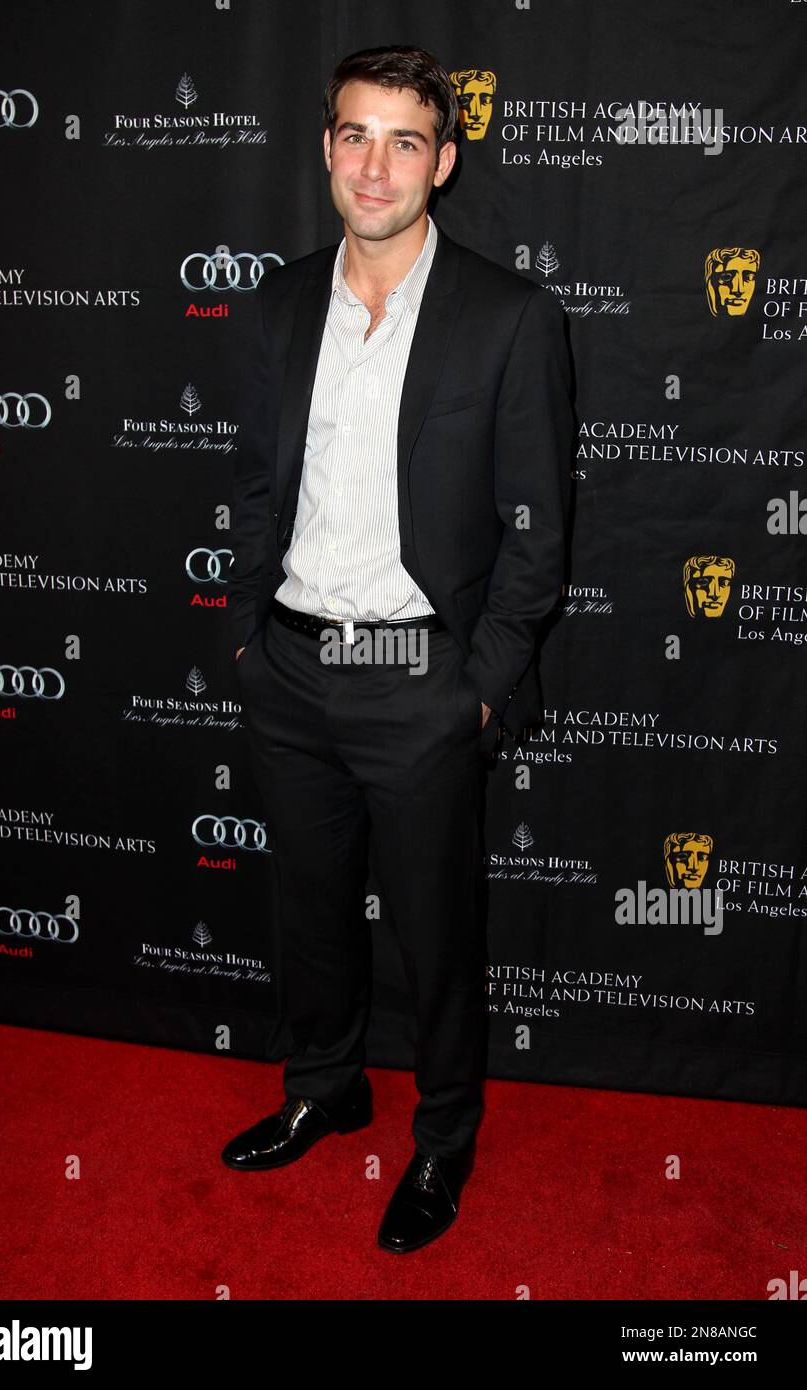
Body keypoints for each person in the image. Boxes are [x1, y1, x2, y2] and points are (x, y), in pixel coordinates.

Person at [221, 44, 574, 1254]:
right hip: (291, 663)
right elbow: (258, 486)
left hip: (421, 680)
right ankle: (323, 1084)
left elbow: (537, 533)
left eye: (404, 140)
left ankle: (441, 1140)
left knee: (437, 932)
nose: (375, 165)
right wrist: (248, 633)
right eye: (355, 136)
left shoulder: (510, 317)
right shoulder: (275, 303)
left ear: (444, 159)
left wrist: (478, 689)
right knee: (308, 909)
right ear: (326, 149)